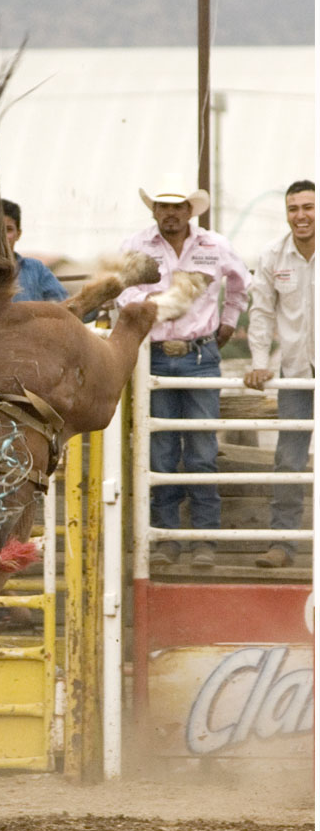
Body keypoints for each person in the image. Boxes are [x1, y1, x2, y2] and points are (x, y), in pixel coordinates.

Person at [117, 176, 251, 568]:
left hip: (200, 354)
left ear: (189, 211)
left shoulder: (214, 245)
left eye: (178, 206)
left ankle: (203, 539)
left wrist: (228, 323)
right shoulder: (136, 245)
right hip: (155, 355)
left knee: (201, 450)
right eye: (164, 206)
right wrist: (155, 300)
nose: (170, 213)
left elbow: (242, 285)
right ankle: (168, 539)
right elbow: (122, 291)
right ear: (154, 210)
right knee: (160, 453)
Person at [243, 180, 315, 568]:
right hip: (296, 371)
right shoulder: (273, 255)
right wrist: (259, 361)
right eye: (294, 208)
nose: (301, 216)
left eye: (308, 207)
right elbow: (261, 311)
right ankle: (283, 544)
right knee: (289, 457)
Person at [2, 199, 69, 302]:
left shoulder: (35, 268)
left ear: (18, 234)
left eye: (8, 230)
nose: (2, 236)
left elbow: (62, 301)